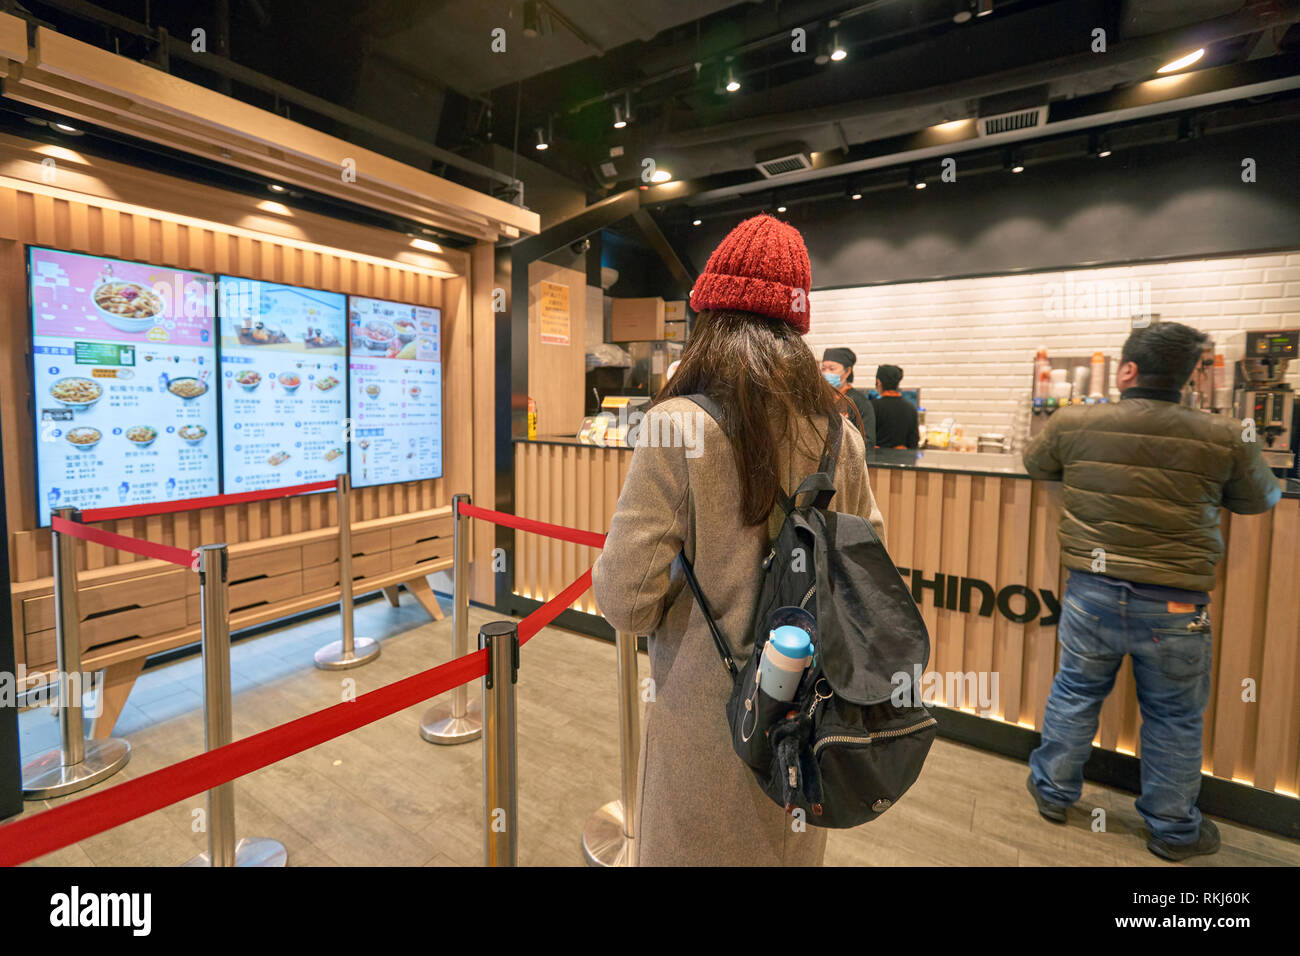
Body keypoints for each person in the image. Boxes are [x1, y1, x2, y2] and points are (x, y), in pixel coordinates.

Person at [592, 214, 885, 866]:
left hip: (708, 726)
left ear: (711, 318)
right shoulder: (843, 436)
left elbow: (624, 599)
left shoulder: (677, 427)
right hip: (809, 729)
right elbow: (866, 578)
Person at [1021, 321, 1281, 862]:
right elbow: (1261, 499)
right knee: (1174, 717)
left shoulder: (1074, 421)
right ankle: (1172, 829)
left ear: (1128, 370)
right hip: (1177, 605)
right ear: (1188, 377)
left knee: (1074, 692)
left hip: (1092, 591)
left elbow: (1035, 463)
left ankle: (1052, 793)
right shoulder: (1227, 434)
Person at [820, 347, 876, 448]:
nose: (826, 373)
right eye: (823, 369)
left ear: (847, 372)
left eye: (832, 369)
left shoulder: (859, 401)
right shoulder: (819, 398)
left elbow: (868, 440)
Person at [870, 364, 919, 448]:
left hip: (877, 460)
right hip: (902, 459)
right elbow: (914, 443)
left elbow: (867, 440)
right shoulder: (911, 408)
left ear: (878, 382)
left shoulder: (872, 407)